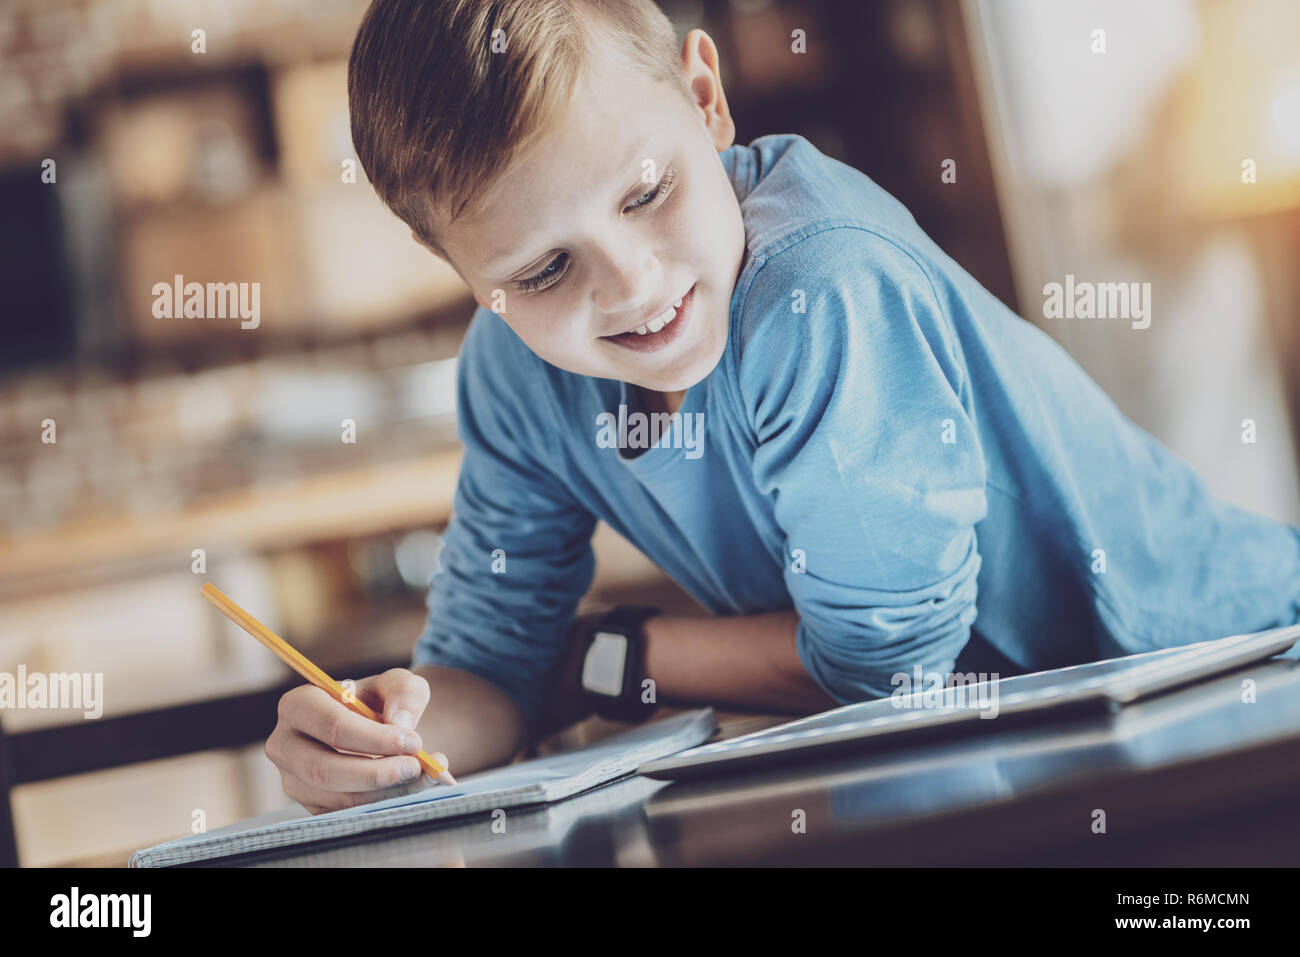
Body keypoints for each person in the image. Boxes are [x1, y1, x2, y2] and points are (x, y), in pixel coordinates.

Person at [264, 0, 1300, 814]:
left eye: (644, 194)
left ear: (706, 99)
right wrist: (394, 737)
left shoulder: (822, 287)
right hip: (1047, 757)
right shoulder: (510, 377)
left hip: (1232, 685)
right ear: (455, 266)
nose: (629, 284)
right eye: (539, 270)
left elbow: (887, 674)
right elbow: (489, 667)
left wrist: (600, 659)